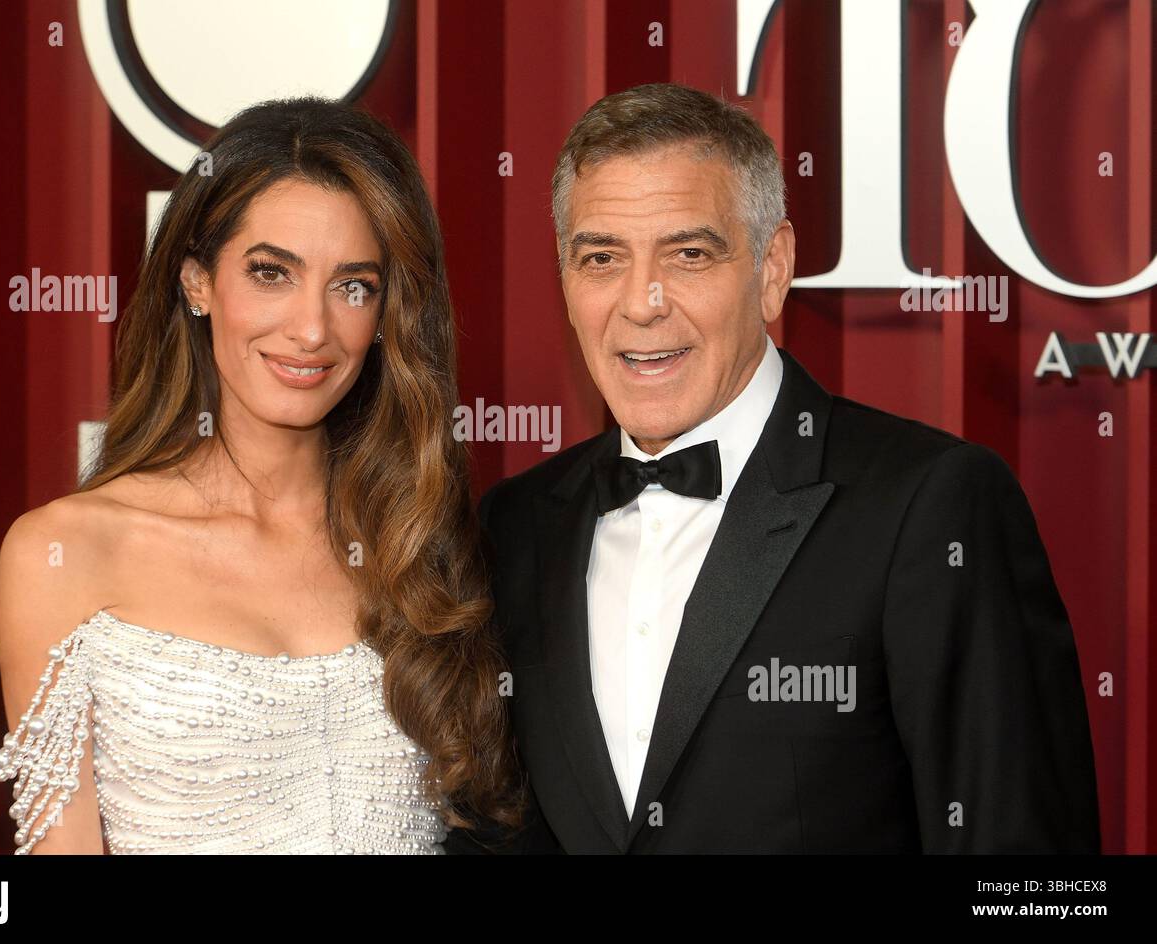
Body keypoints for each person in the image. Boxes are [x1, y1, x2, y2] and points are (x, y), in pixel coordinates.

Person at [450, 83, 1100, 853]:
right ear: (564, 279)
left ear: (772, 267)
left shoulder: (930, 507)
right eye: (601, 258)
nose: (642, 302)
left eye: (689, 254)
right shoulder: (516, 526)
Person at [0, 97, 520, 854]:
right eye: (272, 273)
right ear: (197, 281)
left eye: (353, 286)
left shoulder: (420, 541)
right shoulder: (63, 554)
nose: (312, 328)